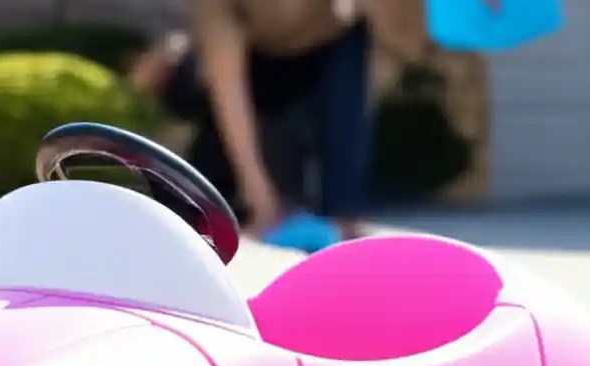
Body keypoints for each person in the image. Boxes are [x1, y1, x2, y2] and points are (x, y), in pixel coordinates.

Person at [131, 0, 427, 239]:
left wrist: (344, 210)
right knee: (212, 196)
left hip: (327, 48)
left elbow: (400, 48)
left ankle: (340, 211)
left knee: (339, 196)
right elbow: (229, 94)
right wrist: (261, 199)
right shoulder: (219, 12)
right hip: (254, 68)